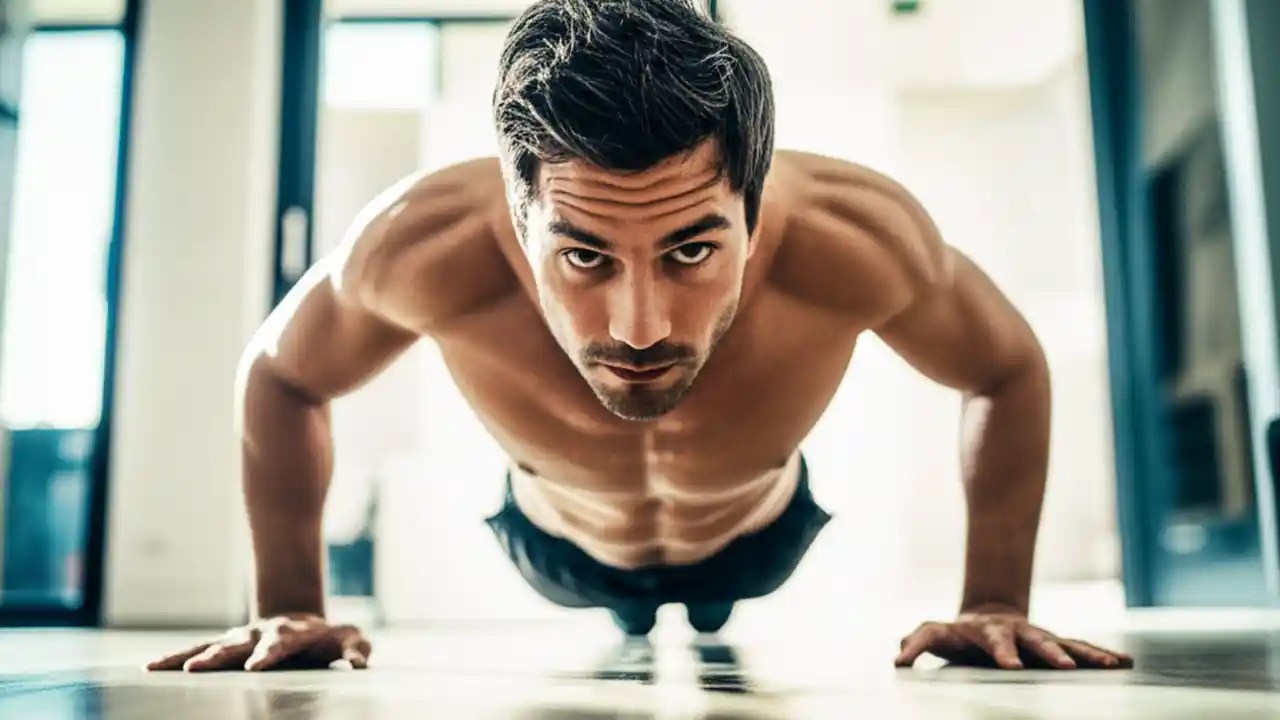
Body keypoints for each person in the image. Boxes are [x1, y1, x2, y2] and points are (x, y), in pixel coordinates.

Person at [147, 0, 1132, 673]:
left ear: (752, 200)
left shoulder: (854, 233)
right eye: (582, 257)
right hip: (553, 550)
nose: (639, 326)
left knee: (716, 603)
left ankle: (699, 602)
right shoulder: (422, 242)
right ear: (516, 207)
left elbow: (1001, 365)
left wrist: (994, 598)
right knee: (613, 607)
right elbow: (280, 376)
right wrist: (290, 601)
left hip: (759, 539)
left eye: (692, 249)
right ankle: (629, 604)